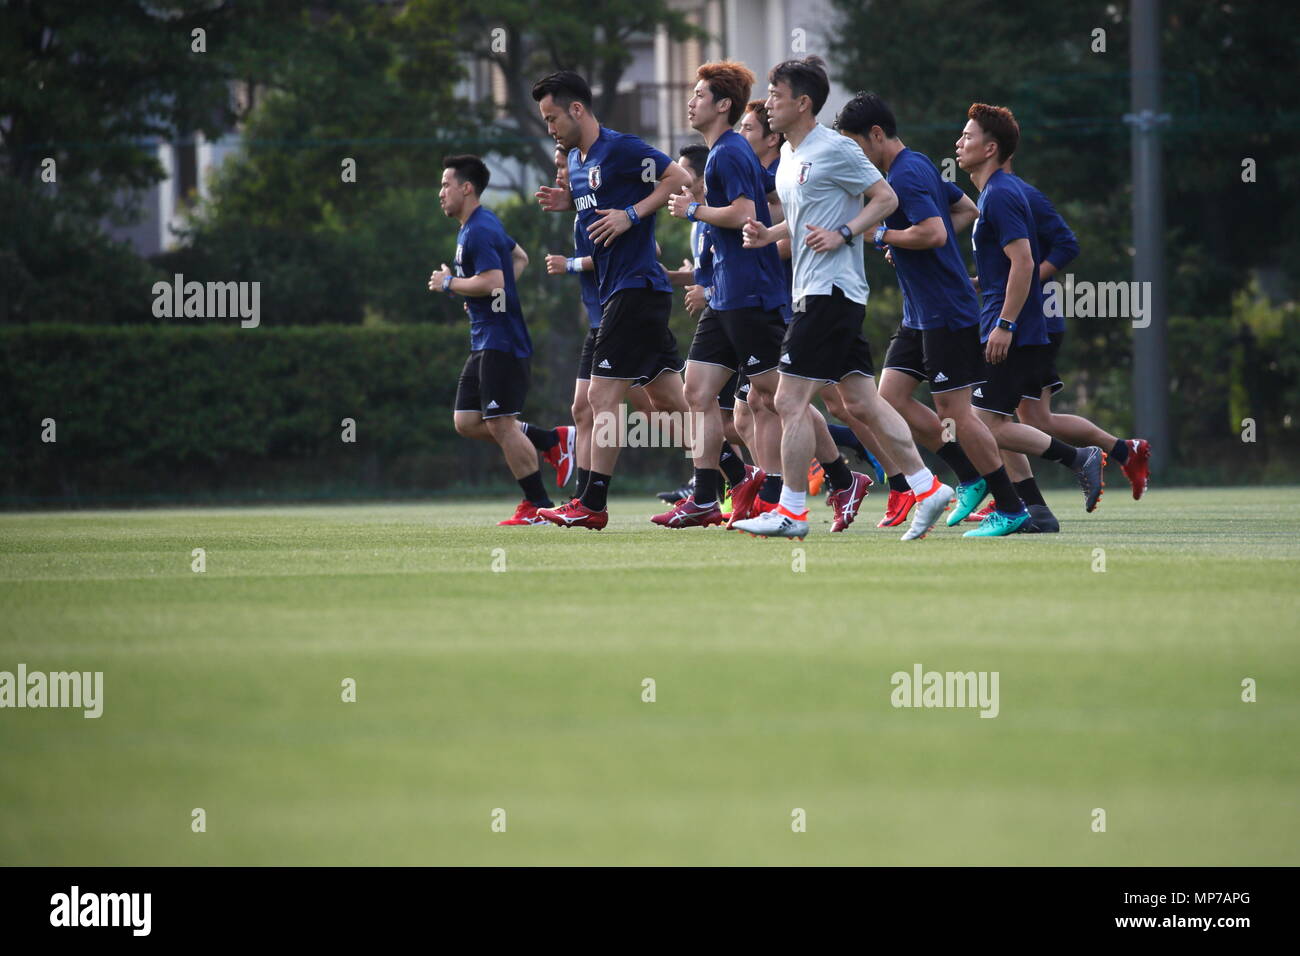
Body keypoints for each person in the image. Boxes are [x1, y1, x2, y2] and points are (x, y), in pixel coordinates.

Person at [739, 56, 952, 541]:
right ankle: (927, 486)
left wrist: (844, 232)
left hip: (830, 294)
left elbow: (885, 199)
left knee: (789, 399)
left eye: (776, 94)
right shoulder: (789, 158)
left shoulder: (833, 148)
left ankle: (791, 512)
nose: (769, 102)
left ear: (803, 102)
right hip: (813, 293)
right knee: (862, 402)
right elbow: (800, 221)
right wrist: (767, 233)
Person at [531, 71, 692, 529]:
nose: (550, 129)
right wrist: (572, 202)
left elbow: (677, 178)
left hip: (636, 289)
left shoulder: (621, 147)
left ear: (577, 109)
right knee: (632, 404)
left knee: (604, 399)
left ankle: (593, 504)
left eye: (552, 117)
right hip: (610, 299)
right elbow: (596, 210)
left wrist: (631, 214)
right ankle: (738, 475)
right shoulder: (579, 162)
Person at [429, 154, 567, 526]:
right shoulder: (475, 225)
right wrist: (481, 299)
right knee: (467, 420)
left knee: (502, 424)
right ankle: (552, 441)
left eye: (446, 184)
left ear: (466, 188)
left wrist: (451, 285)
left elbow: (494, 281)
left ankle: (537, 506)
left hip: (500, 341)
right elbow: (518, 258)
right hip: (485, 339)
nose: (440, 192)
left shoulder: (479, 229)